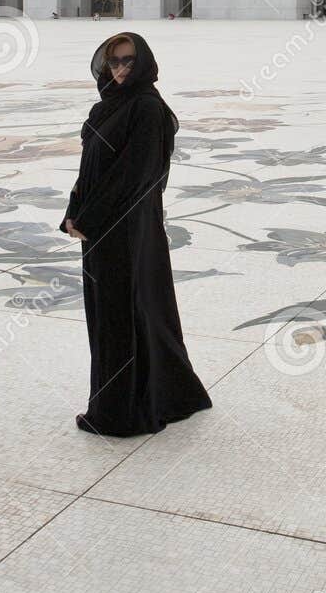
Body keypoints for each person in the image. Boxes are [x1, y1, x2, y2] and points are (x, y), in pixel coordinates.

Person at [60, 31, 212, 437]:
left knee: (121, 314)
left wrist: (90, 218)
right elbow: (91, 168)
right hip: (103, 226)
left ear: (143, 63)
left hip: (125, 228)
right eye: (114, 61)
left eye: (129, 60)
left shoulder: (147, 108)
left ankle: (120, 412)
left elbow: (136, 176)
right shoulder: (107, 106)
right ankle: (175, 393)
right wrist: (73, 211)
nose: (121, 69)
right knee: (135, 309)